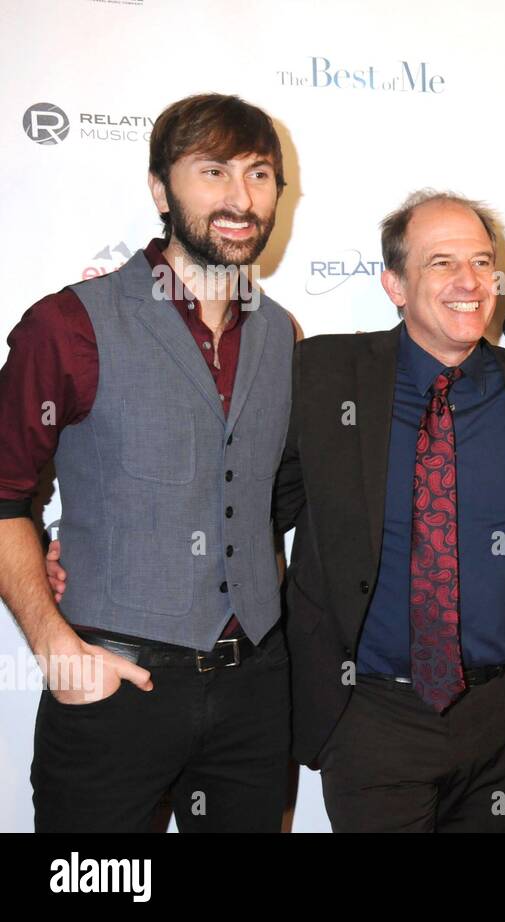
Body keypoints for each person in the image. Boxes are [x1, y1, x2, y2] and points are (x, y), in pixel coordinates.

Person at [5, 94, 297, 832]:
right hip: (114, 687)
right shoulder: (69, 324)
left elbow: (271, 495)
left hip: (255, 690)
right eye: (214, 172)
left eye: (260, 175)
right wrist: (55, 648)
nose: (240, 198)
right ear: (161, 190)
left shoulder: (283, 336)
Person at [271, 191, 505, 832]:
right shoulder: (323, 375)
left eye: (483, 262)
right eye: (441, 263)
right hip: (372, 716)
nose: (469, 282)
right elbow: (251, 505)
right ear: (394, 284)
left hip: (501, 717)